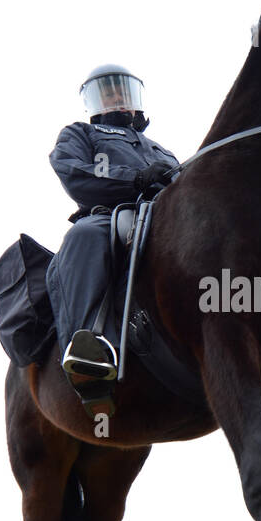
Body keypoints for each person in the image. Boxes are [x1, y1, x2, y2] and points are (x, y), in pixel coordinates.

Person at [48, 65, 180, 410]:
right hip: (112, 216)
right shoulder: (81, 135)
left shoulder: (162, 150)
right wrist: (135, 179)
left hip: (167, 216)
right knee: (85, 235)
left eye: (122, 90)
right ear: (95, 101)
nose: (116, 97)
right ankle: (90, 346)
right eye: (107, 92)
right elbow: (73, 171)